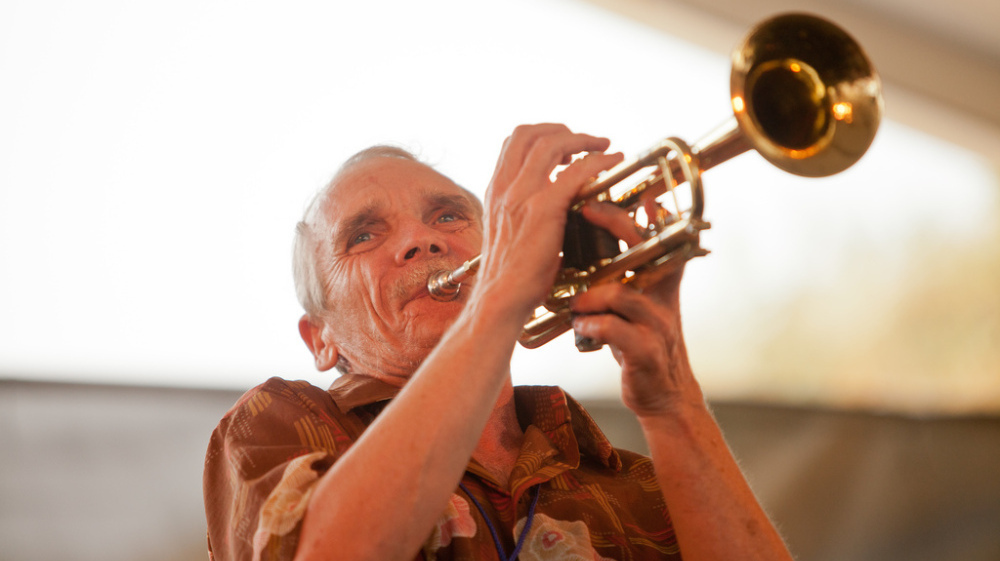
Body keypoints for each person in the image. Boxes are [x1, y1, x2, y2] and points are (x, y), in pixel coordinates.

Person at [203, 124, 793, 561]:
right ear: (322, 338)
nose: (421, 241)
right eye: (363, 234)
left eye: (450, 217)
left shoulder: (631, 482)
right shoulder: (275, 425)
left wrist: (674, 404)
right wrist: (497, 300)